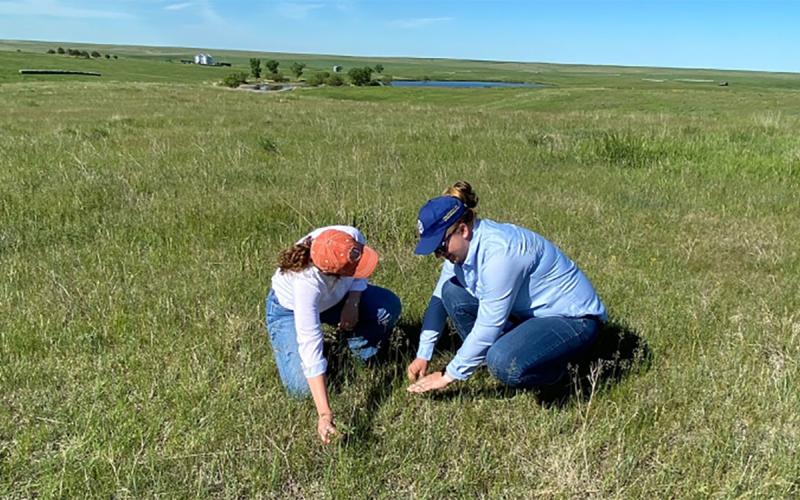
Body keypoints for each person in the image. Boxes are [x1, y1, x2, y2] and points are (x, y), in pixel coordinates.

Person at [406, 181, 607, 394]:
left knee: (503, 363)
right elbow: (439, 299)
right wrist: (423, 354)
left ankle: (563, 376)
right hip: (531, 315)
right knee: (451, 291)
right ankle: (486, 359)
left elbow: (489, 324)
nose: (439, 255)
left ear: (463, 230)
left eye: (440, 247)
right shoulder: (461, 249)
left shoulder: (501, 255)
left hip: (575, 321)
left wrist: (448, 375)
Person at [266, 226, 401, 443]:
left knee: (387, 308)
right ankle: (323, 365)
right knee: (300, 389)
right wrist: (325, 415)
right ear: (334, 275)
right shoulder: (306, 285)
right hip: (288, 311)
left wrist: (353, 301)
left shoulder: (349, 236)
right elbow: (309, 344)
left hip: (339, 299)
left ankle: (353, 356)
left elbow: (360, 273)